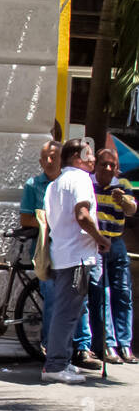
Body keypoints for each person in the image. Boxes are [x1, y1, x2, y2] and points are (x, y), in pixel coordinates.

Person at [43, 138, 111, 384]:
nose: (93, 159)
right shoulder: (80, 179)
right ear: (77, 157)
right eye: (89, 154)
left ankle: (61, 361)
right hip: (77, 258)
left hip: (62, 255)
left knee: (67, 310)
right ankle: (55, 365)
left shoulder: (55, 184)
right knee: (68, 313)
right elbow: (82, 215)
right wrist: (100, 238)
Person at [94, 146, 137, 363]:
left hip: (117, 242)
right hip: (98, 242)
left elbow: (132, 209)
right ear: (96, 165)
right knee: (105, 294)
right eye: (104, 164)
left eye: (113, 165)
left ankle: (125, 345)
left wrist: (124, 201)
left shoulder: (123, 185)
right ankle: (109, 344)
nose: (109, 168)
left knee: (123, 293)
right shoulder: (89, 184)